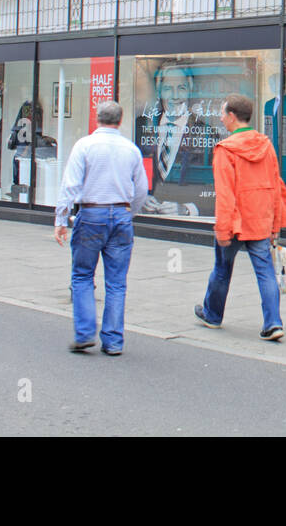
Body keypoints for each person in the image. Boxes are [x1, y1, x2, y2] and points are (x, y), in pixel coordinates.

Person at [194, 93, 286, 340]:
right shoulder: (265, 145)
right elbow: (276, 186)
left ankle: (212, 315)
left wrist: (222, 229)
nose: (220, 119)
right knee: (265, 272)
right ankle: (273, 323)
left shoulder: (225, 150)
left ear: (232, 116)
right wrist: (276, 224)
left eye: (222, 114)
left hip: (234, 222)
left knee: (222, 270)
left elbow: (225, 195)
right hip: (260, 220)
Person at [54, 100, 149, 356]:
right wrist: (131, 213)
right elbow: (141, 189)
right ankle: (114, 341)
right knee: (117, 282)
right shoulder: (131, 149)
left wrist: (61, 220)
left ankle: (85, 333)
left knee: (83, 275)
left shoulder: (84, 146)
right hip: (121, 215)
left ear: (97, 119)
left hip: (91, 213)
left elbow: (70, 186)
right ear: (120, 120)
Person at [135, 61, 216, 216]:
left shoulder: (208, 133)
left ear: (190, 90)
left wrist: (187, 209)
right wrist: (140, 197)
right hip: (147, 220)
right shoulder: (140, 127)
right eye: (167, 88)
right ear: (159, 91)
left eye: (181, 88)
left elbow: (217, 190)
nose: (175, 96)